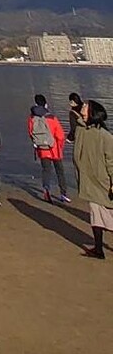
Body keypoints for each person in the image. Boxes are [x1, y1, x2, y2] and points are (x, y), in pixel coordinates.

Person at [72, 99, 113, 260]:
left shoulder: (105, 136)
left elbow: (111, 161)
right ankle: (98, 249)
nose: (83, 107)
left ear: (93, 112)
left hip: (103, 182)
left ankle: (99, 248)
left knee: (108, 214)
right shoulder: (81, 129)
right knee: (96, 215)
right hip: (88, 181)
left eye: (86, 106)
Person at [28, 93, 70, 203]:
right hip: (55, 149)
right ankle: (63, 193)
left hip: (42, 149)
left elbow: (31, 134)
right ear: (45, 104)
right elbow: (60, 135)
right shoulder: (52, 118)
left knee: (46, 170)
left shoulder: (32, 118)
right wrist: (60, 147)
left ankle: (46, 190)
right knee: (60, 171)